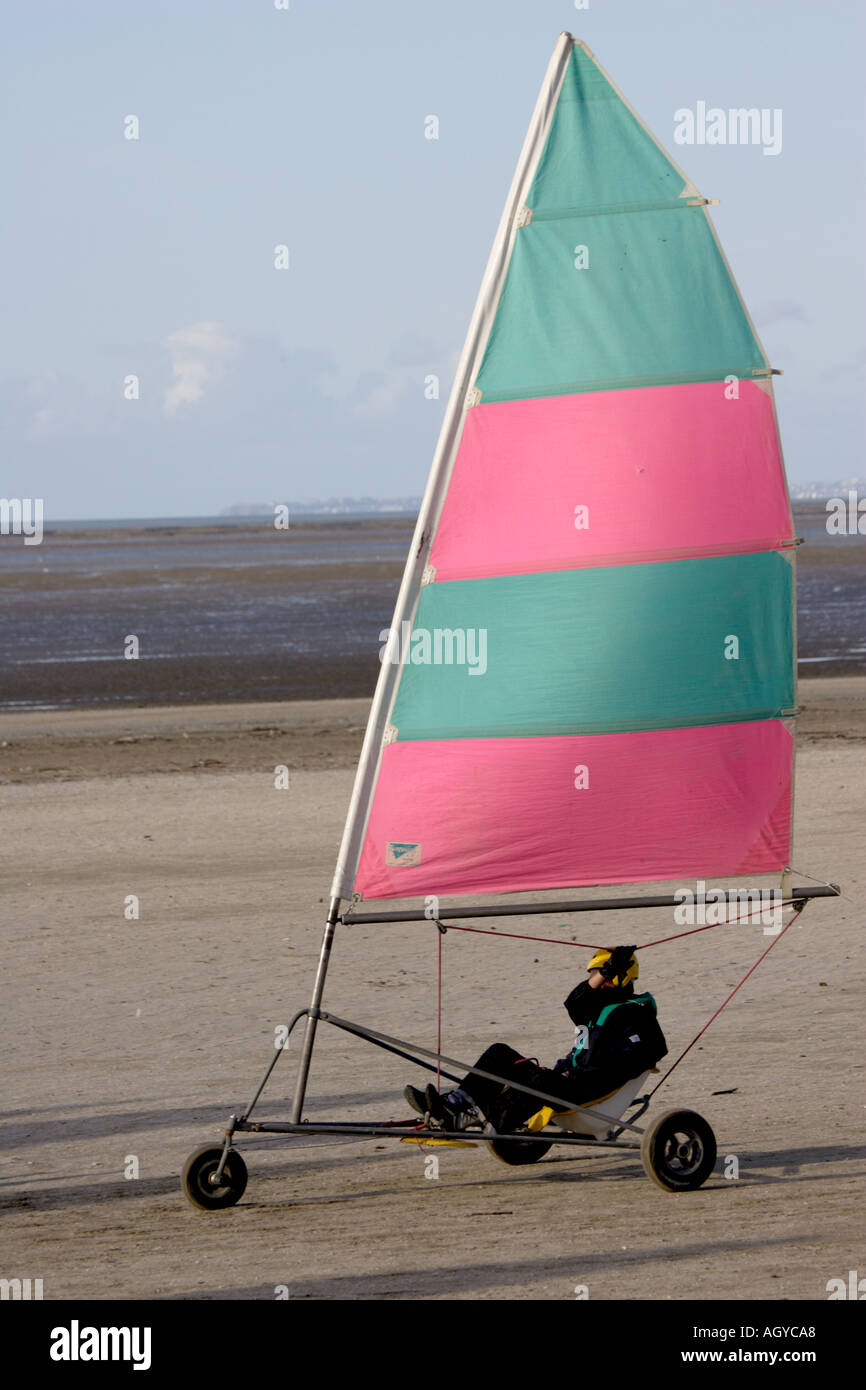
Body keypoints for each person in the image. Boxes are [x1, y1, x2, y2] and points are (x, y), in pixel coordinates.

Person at [403, 945, 667, 1132]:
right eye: (594, 977)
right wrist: (602, 974)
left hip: (589, 1092)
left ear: (621, 978)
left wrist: (581, 1072)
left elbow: (649, 1051)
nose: (595, 983)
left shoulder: (636, 1013)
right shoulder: (597, 1008)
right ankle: (453, 1104)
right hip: (570, 1082)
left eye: (602, 978)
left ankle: (467, 1116)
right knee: (499, 1054)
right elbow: (574, 1002)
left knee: (533, 1080)